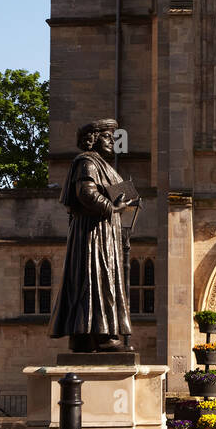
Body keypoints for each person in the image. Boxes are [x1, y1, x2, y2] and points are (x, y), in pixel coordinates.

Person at [49, 120, 140, 352]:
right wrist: (114, 208)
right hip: (94, 234)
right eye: (108, 136)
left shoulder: (100, 165)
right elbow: (85, 194)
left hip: (102, 231)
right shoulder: (87, 162)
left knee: (96, 280)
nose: (112, 141)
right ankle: (103, 336)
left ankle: (83, 338)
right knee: (99, 279)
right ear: (93, 138)